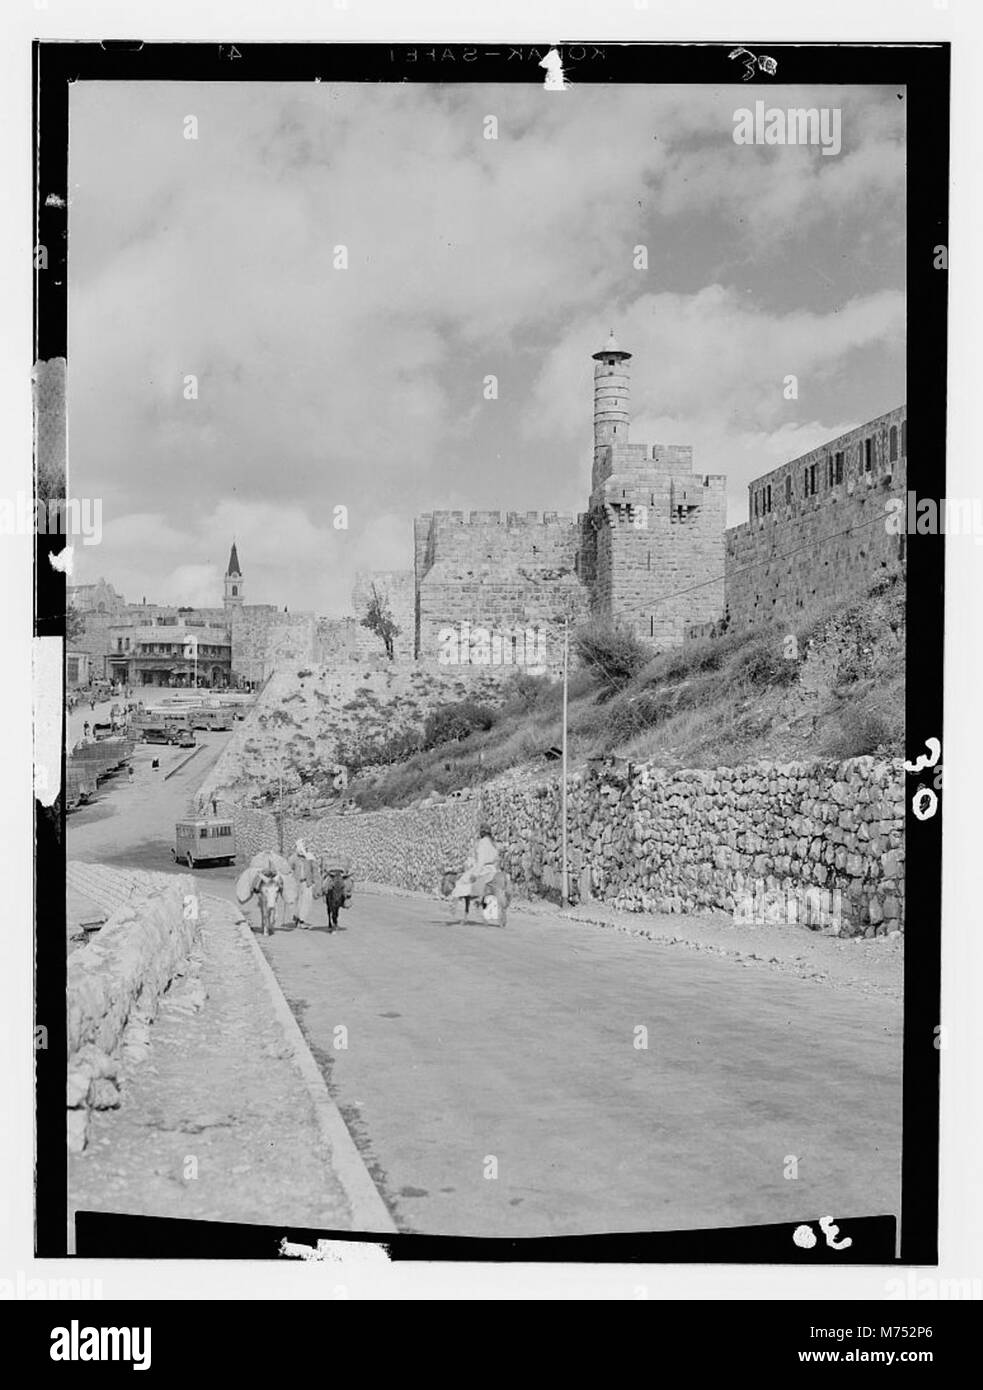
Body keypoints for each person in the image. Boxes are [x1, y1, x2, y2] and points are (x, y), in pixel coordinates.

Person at [289, 839, 319, 930]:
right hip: (296, 883)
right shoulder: (293, 858)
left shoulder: (310, 857)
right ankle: (297, 918)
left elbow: (314, 870)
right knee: (296, 901)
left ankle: (302, 920)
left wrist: (315, 882)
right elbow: (289, 869)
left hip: (307, 882)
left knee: (306, 901)